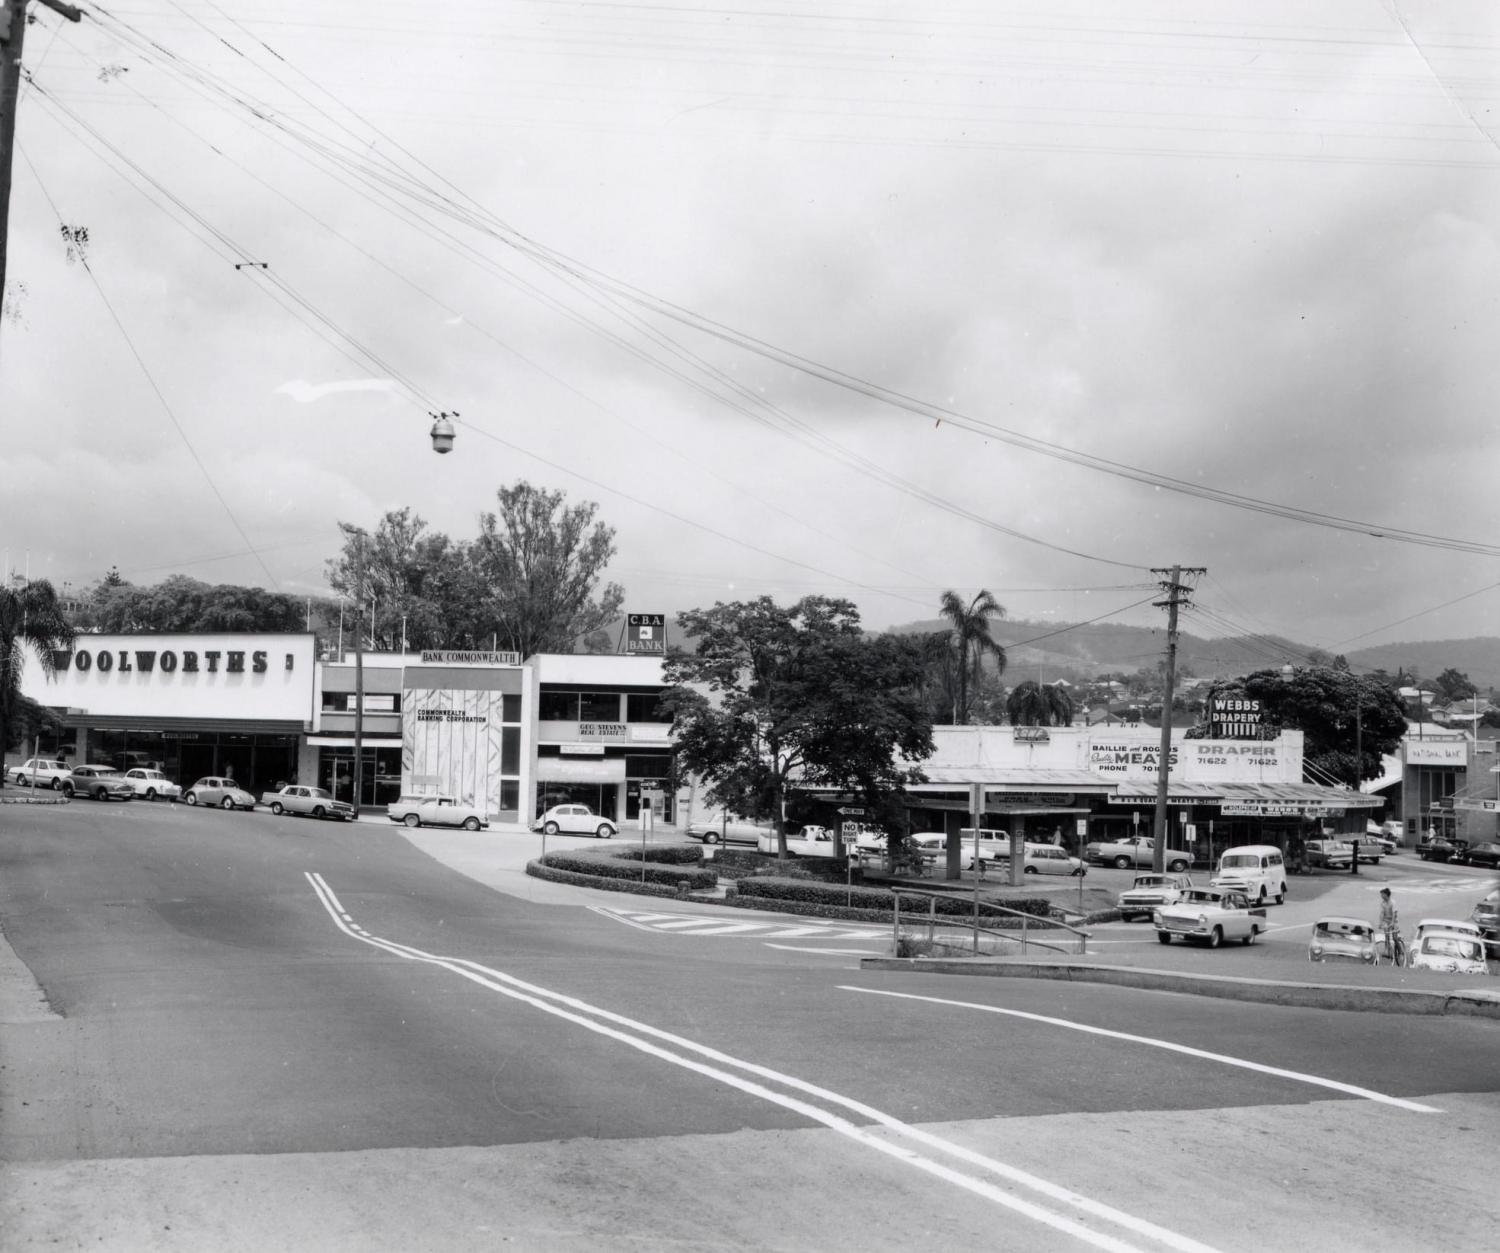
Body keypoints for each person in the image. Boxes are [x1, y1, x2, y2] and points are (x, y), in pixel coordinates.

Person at [1378, 888, 1402, 963]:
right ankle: (1387, 952)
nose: (1381, 895)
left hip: (1393, 921)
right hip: (1386, 921)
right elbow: (1381, 914)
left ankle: (1400, 952)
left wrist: (1392, 923)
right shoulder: (1382, 903)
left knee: (1395, 938)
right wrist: (1380, 923)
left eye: (1382, 894)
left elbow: (1394, 913)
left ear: (1386, 894)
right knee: (1386, 936)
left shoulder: (1392, 902)